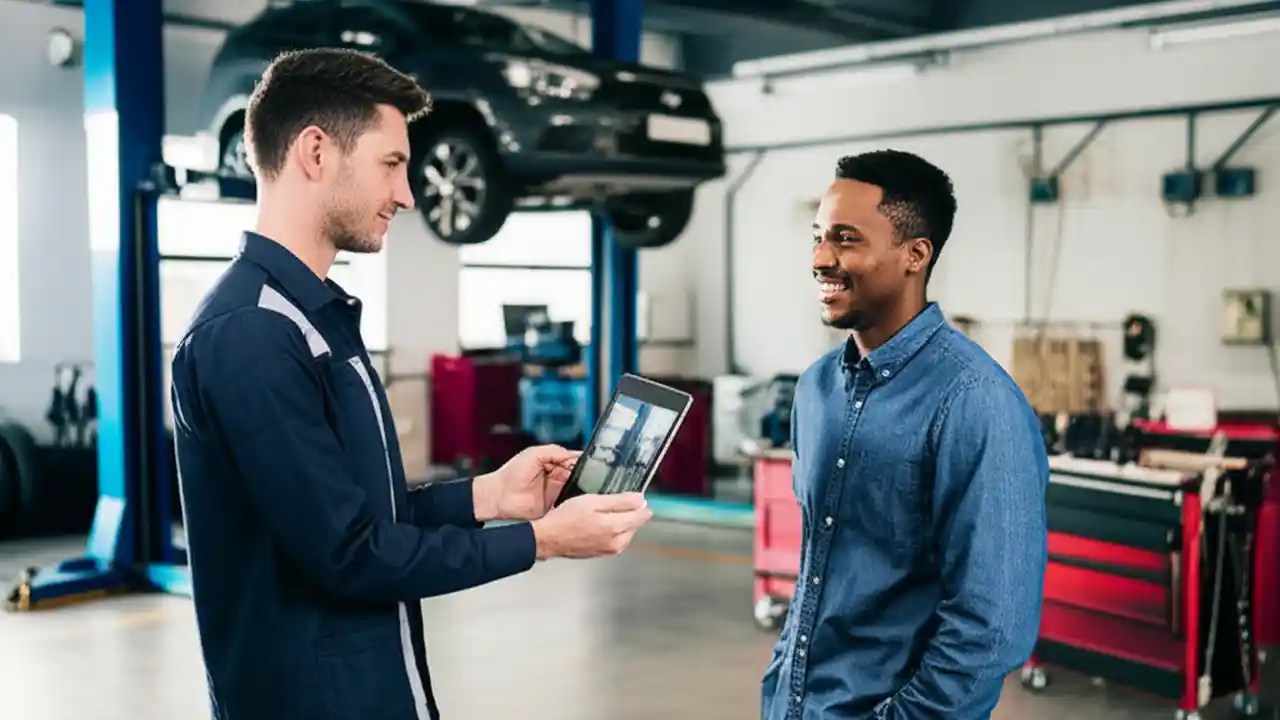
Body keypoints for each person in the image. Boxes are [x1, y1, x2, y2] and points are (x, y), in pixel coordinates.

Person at [169, 48, 652, 720]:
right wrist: (543, 541)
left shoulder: (314, 317)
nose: (406, 194)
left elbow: (360, 517)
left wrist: (490, 495)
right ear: (316, 152)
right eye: (391, 164)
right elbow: (350, 555)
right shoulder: (251, 334)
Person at [760, 150, 1048, 720]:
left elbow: (992, 628)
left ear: (916, 254)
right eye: (818, 237)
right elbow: (822, 566)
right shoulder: (817, 389)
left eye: (845, 239)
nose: (820, 259)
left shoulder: (975, 402)